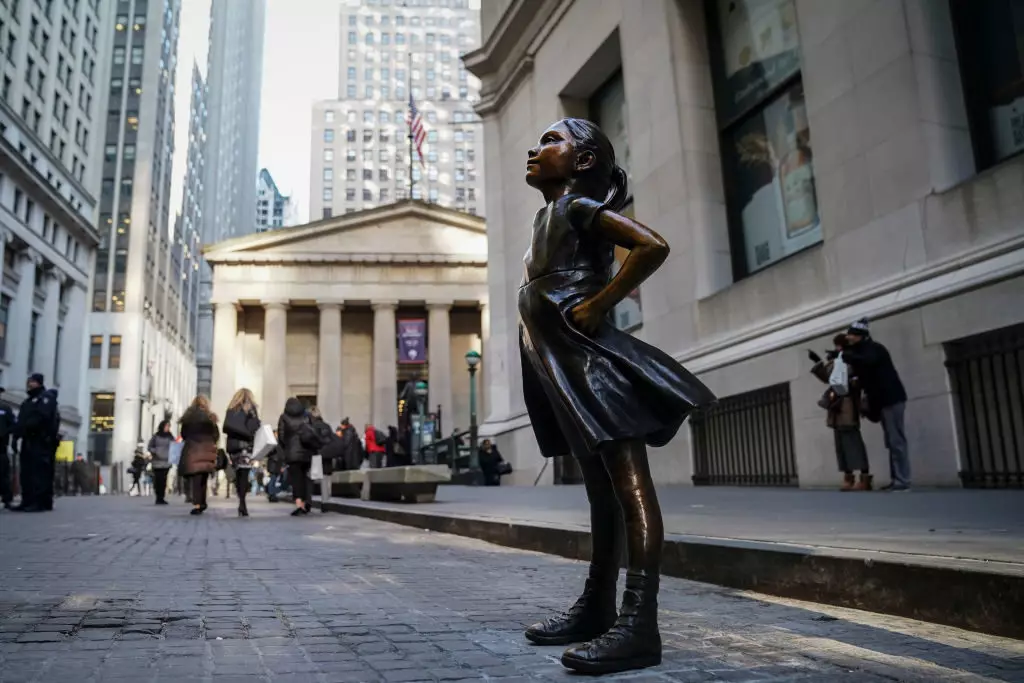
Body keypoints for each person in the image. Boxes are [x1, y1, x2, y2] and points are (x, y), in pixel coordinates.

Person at [518, 119, 717, 675]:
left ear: (583, 161)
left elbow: (651, 246)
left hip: (593, 362)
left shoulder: (580, 207)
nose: (537, 148)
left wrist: (600, 303)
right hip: (561, 365)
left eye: (552, 140)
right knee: (600, 493)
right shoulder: (547, 215)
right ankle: (596, 606)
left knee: (629, 489)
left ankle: (638, 624)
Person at [843, 318, 910, 491]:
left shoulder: (875, 349)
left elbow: (868, 361)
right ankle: (897, 479)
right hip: (882, 401)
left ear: (860, 336)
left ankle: (902, 481)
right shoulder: (860, 352)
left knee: (896, 441)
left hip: (891, 399)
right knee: (891, 441)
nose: (848, 337)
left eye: (851, 334)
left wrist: (846, 355)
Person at [809, 335, 871, 491]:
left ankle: (864, 477)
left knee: (853, 441)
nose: (836, 349)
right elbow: (829, 378)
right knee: (841, 445)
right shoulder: (839, 359)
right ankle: (848, 476)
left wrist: (840, 360)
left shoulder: (852, 359)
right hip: (837, 406)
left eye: (838, 346)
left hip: (848, 405)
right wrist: (819, 362)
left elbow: (849, 378)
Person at [12, 374, 60, 512]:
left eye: (32, 382)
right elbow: (20, 421)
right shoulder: (28, 402)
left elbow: (42, 418)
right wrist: (16, 437)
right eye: (29, 382)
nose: (29, 384)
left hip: (40, 441)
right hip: (28, 440)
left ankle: (39, 502)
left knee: (39, 472)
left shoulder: (45, 399)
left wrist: (28, 427)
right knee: (26, 472)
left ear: (38, 383)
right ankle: (27, 500)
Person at [223, 388, 261, 517]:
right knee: (244, 475)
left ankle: (241, 500)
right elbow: (254, 428)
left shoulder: (231, 410)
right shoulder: (251, 411)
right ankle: (242, 503)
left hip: (234, 448)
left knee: (239, 474)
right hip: (246, 447)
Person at [178, 395, 219, 515]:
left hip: (193, 449)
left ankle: (197, 504)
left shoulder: (188, 418)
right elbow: (215, 434)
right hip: (207, 448)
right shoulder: (210, 418)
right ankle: (202, 501)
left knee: (195, 477)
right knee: (203, 477)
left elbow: (183, 434)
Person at [277, 397, 318, 516]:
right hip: (306, 451)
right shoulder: (306, 415)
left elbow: (281, 435)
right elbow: (312, 432)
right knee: (306, 477)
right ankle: (307, 501)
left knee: (296, 478)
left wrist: (287, 446)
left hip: (292, 452)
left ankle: (299, 503)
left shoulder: (284, 417)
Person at [147, 421, 174, 504]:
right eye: (166, 426)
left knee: (163, 480)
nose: (167, 428)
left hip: (166, 461)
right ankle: (158, 496)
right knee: (158, 480)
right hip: (157, 461)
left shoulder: (170, 436)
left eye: (169, 426)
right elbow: (150, 446)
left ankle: (161, 497)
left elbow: (174, 446)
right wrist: (156, 451)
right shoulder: (156, 436)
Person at [0, 387, 15, 510]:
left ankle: (7, 499)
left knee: (3, 474)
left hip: (1, 446)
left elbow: (13, 425)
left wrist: (4, 433)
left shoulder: (5, 408)